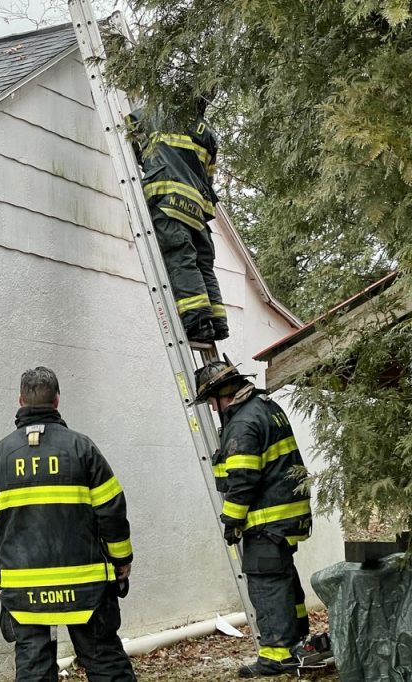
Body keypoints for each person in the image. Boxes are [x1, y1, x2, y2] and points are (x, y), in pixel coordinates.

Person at [0, 367, 136, 681]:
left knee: (34, 668)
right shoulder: (82, 448)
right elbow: (112, 511)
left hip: (24, 588)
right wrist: (121, 560)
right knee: (104, 660)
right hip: (85, 584)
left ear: (20, 400)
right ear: (57, 400)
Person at [195, 357, 313, 678]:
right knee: (283, 578)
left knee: (266, 584)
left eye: (211, 402)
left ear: (223, 394)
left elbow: (244, 478)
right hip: (287, 514)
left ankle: (277, 656)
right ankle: (297, 642)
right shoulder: (267, 407)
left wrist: (232, 522)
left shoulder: (243, 422)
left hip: (266, 519)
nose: (213, 408)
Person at [126, 96, 228, 343]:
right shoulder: (208, 134)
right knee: (202, 265)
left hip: (169, 198)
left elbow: (127, 132)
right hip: (198, 209)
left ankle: (198, 322)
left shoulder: (155, 112)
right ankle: (217, 322)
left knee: (180, 258)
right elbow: (208, 178)